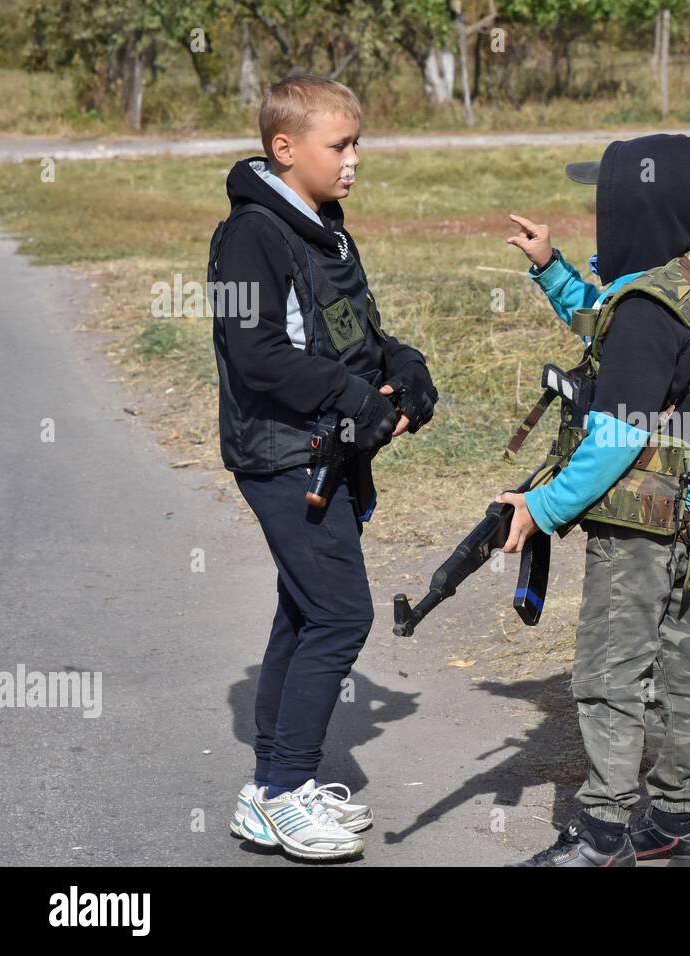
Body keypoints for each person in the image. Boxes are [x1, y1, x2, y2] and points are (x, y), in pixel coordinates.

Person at [209, 74, 437, 861]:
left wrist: (405, 371)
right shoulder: (249, 237)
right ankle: (283, 792)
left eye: (357, 144)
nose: (354, 160)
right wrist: (349, 396)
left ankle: (269, 789)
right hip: (280, 457)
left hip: (324, 449)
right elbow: (255, 351)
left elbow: (359, 332)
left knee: (306, 611)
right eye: (339, 146)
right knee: (341, 616)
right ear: (285, 148)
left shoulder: (326, 226)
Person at [500, 133, 690, 867]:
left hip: (637, 525)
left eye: (603, 204)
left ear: (630, 210)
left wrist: (543, 507)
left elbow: (613, 439)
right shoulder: (669, 288)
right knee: (672, 665)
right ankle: (673, 819)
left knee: (610, 671)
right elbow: (597, 319)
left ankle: (601, 834)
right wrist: (552, 270)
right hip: (681, 516)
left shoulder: (641, 311)